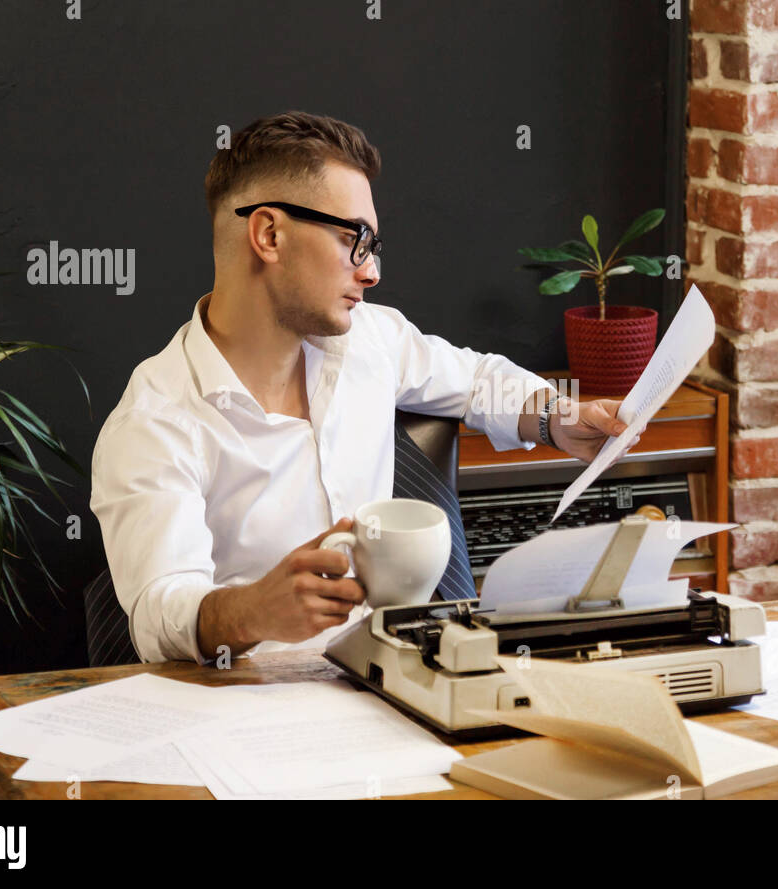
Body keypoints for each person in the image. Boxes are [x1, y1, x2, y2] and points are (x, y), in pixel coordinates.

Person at [90, 111, 632, 664]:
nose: (371, 271)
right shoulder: (155, 421)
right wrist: (252, 610)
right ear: (269, 234)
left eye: (373, 245)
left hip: (399, 687)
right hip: (253, 711)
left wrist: (556, 418)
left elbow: (478, 381)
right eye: (355, 239)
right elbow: (159, 614)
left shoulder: (371, 339)